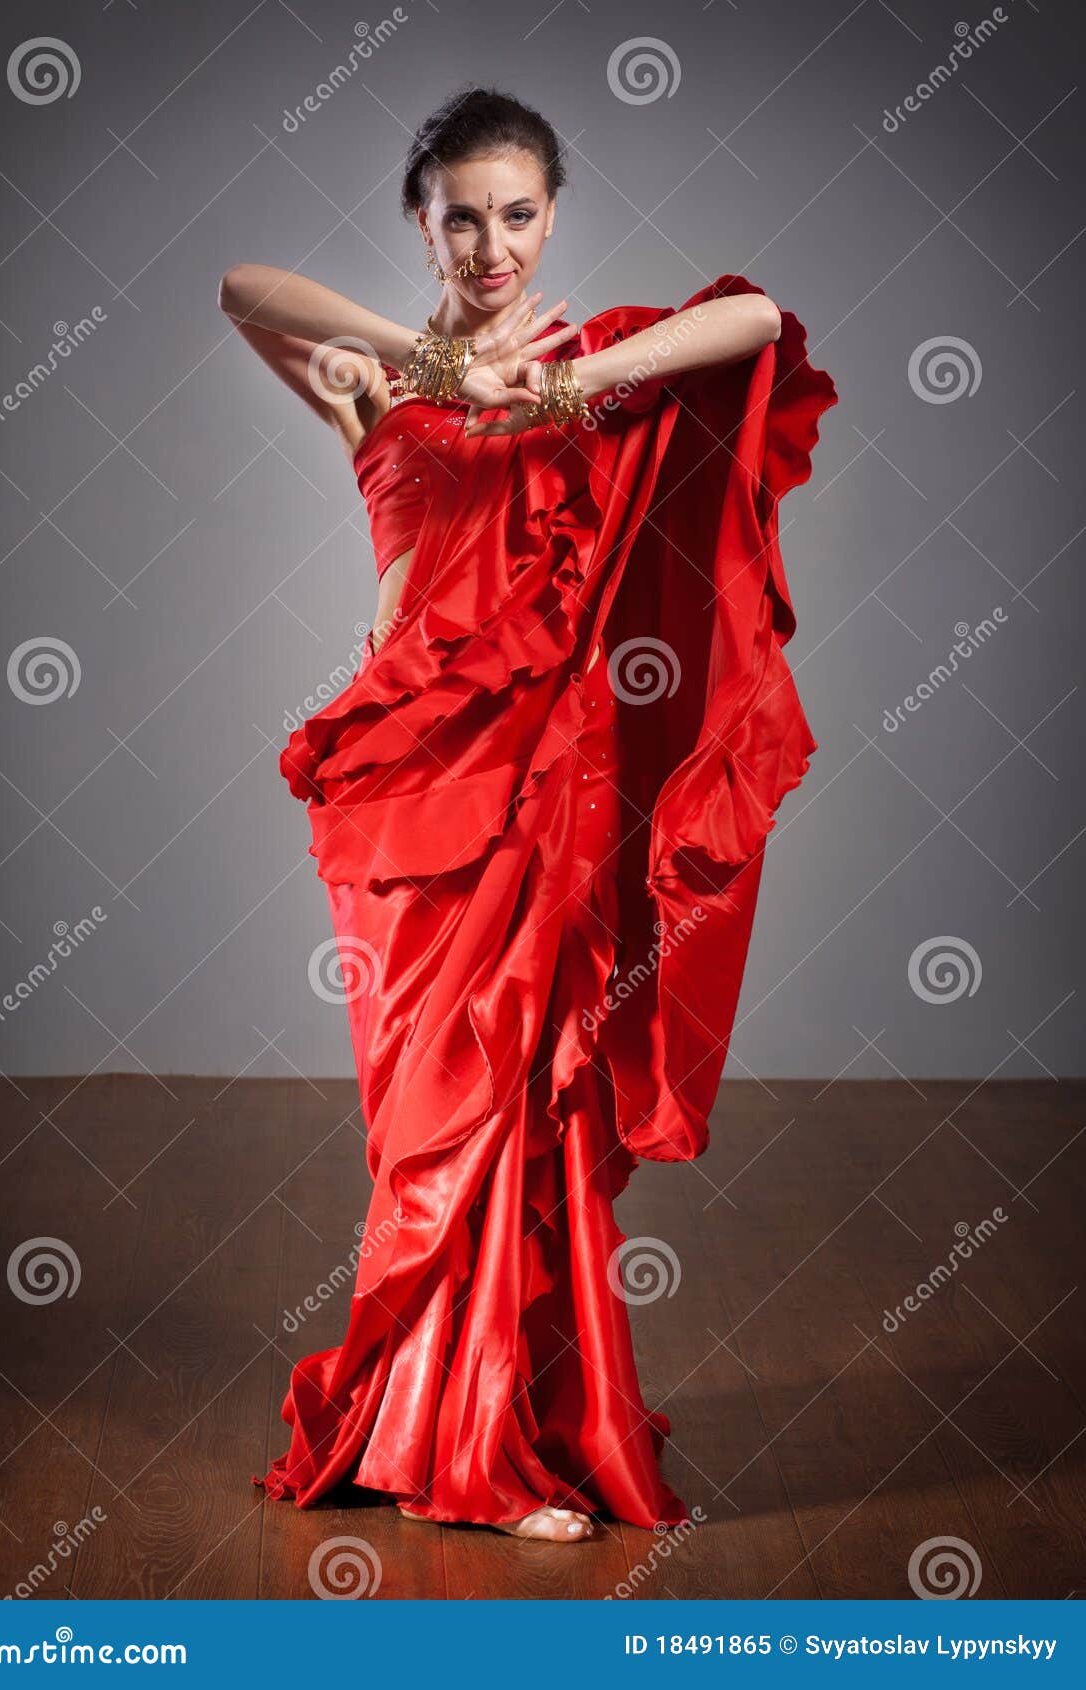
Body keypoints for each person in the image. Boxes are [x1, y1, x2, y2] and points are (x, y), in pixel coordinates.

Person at [219, 86, 837, 1544]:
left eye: (516, 214)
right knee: (423, 1123)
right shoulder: (375, 384)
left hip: (539, 789)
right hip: (404, 781)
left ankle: (501, 1432)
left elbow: (756, 327)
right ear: (420, 222)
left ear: (552, 215)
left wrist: (552, 393)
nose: (492, 243)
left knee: (525, 1102)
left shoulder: (594, 362)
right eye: (459, 215)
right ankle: (422, 1423)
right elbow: (244, 288)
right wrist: (436, 359)